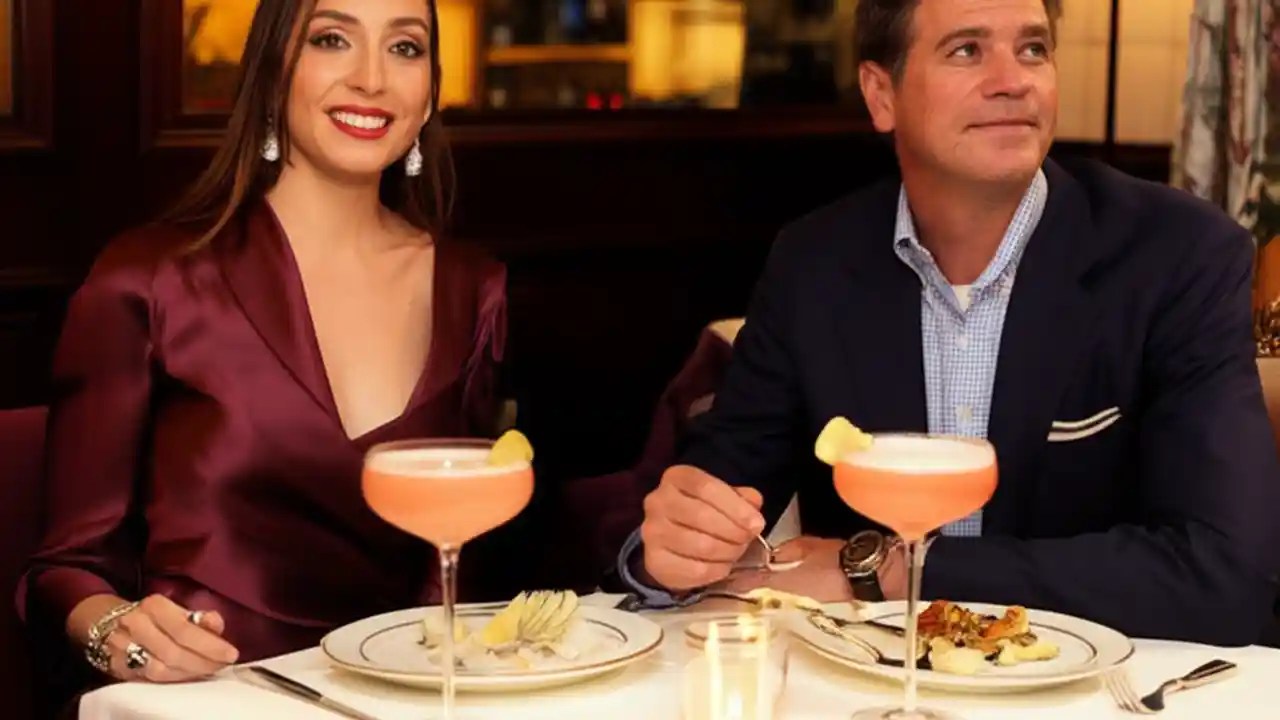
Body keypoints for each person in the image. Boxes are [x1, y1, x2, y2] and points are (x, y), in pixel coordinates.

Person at [620, 0, 1280, 646]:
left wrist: (890, 570)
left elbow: (1223, 575)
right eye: (967, 50)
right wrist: (669, 549)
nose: (1013, 80)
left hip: (1107, 689)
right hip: (870, 683)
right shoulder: (814, 266)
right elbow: (712, 501)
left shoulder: (1178, 256)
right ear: (881, 94)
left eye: (1033, 49)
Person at [16, 0, 562, 705]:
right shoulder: (151, 279)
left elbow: (477, 566)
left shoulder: (475, 291)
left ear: (430, 93)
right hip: (201, 701)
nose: (371, 78)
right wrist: (115, 629)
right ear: (274, 69)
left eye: (405, 48)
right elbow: (63, 570)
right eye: (332, 39)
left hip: (406, 704)